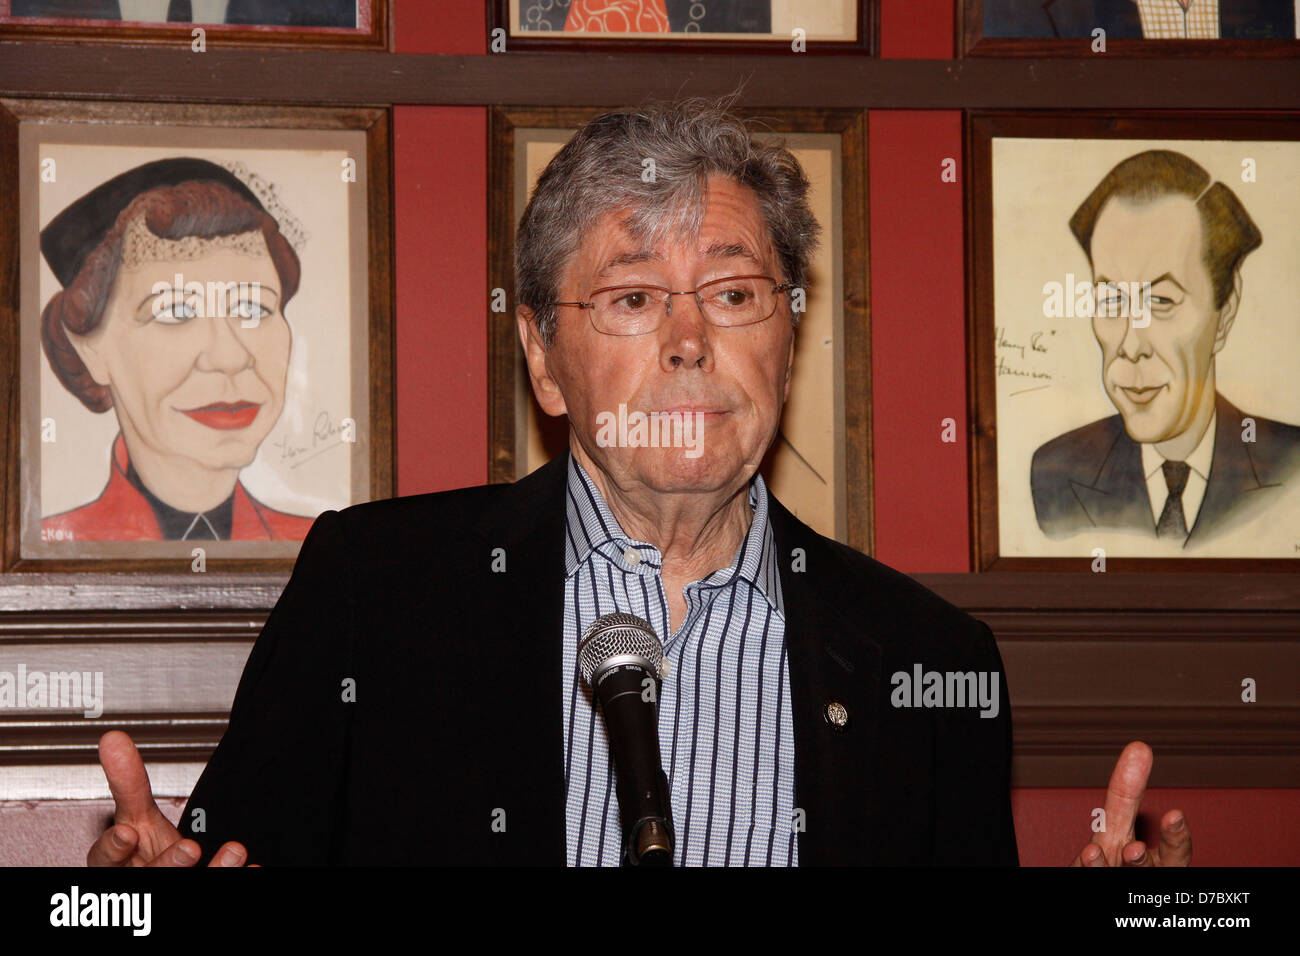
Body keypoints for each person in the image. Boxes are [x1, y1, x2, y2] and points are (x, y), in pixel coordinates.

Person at [87, 100, 1191, 867]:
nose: (688, 341)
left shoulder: (930, 662)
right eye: (629, 298)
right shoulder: (372, 593)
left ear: (787, 344)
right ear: (541, 357)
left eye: (733, 292)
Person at [1031, 150, 1300, 546]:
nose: (1131, 345)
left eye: (1161, 301)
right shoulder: (1058, 473)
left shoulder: (1290, 466)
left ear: (1224, 312)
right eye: (1111, 301)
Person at [39, 158, 314, 542]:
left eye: (253, 308)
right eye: (175, 312)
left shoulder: (319, 548)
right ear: (88, 347)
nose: (230, 357)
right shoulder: (52, 547)